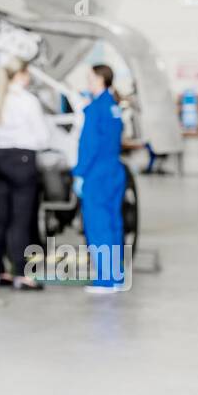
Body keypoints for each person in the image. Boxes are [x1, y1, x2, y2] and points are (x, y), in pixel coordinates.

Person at [0, 63, 51, 290]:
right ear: (20, 75)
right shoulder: (28, 101)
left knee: (1, 217)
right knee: (20, 220)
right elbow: (42, 137)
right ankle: (22, 274)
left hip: (0, 158)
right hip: (23, 160)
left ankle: (0, 272)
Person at [73, 64, 127, 293]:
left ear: (99, 79)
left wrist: (79, 173)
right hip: (114, 170)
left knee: (98, 225)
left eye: (90, 78)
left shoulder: (95, 109)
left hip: (97, 173)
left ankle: (105, 281)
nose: (87, 82)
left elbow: (89, 145)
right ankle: (116, 276)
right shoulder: (113, 106)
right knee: (113, 224)